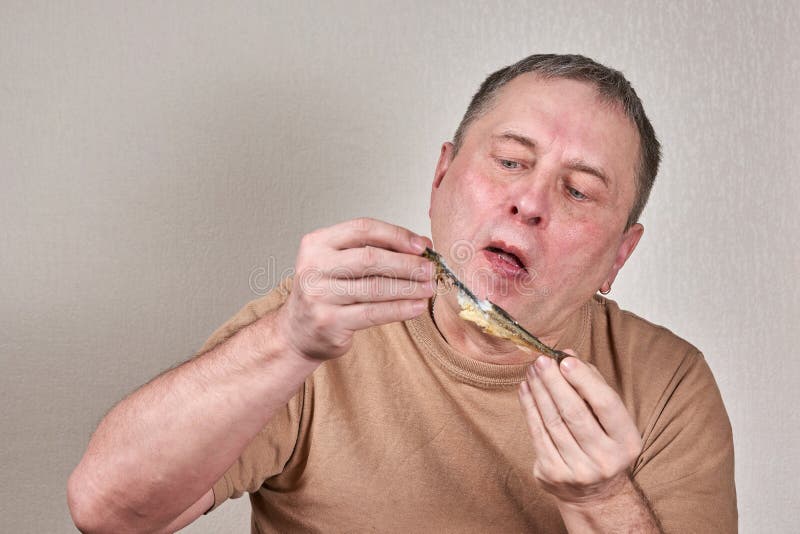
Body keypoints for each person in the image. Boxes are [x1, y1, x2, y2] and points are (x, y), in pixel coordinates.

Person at [67, 54, 737, 533]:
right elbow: (107, 510)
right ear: (442, 175)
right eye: (509, 160)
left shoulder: (667, 381)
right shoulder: (322, 319)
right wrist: (287, 340)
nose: (529, 201)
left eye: (579, 190)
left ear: (618, 256)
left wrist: (602, 498)